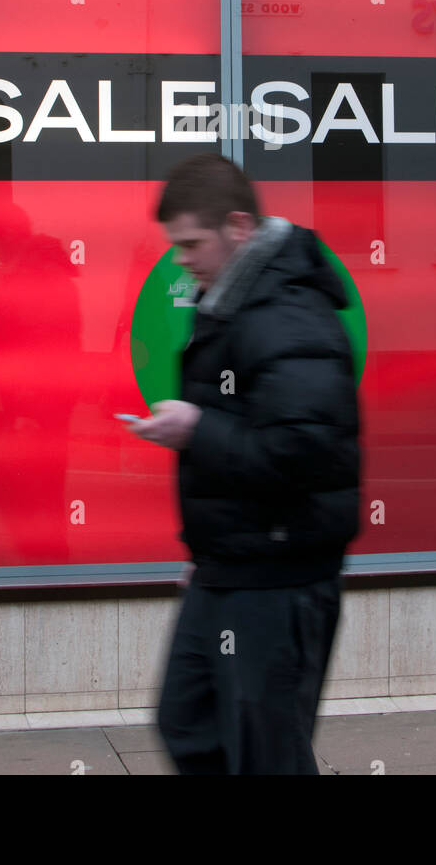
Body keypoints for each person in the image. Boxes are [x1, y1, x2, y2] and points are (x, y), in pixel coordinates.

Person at [126, 152, 360, 775]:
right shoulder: (230, 303)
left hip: (280, 579)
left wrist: (197, 428)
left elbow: (307, 451)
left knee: (265, 754)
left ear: (239, 227)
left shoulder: (288, 315)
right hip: (230, 566)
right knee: (188, 720)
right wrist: (206, 552)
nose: (181, 258)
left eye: (191, 243)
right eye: (175, 245)